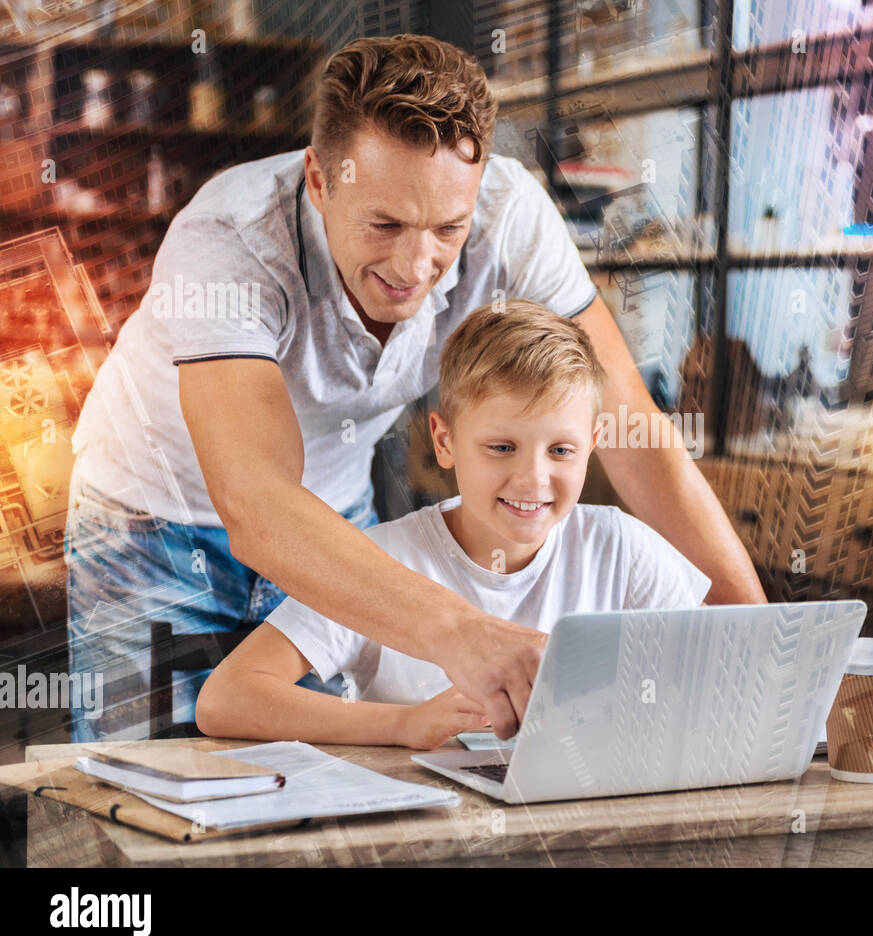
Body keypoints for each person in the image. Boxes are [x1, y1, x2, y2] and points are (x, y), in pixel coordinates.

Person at [64, 34, 763, 743]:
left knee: (314, 805)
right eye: (385, 223)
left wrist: (766, 653)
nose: (413, 263)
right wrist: (462, 631)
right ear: (318, 178)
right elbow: (255, 501)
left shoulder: (512, 219)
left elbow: (630, 426)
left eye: (446, 229)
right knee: (147, 795)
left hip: (332, 519)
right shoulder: (230, 241)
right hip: (150, 527)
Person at [195, 300, 711, 747]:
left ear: (592, 445)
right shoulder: (382, 559)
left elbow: (712, 674)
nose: (533, 479)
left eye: (561, 450)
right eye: (501, 448)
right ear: (444, 441)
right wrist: (402, 724)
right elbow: (226, 698)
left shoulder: (621, 548)